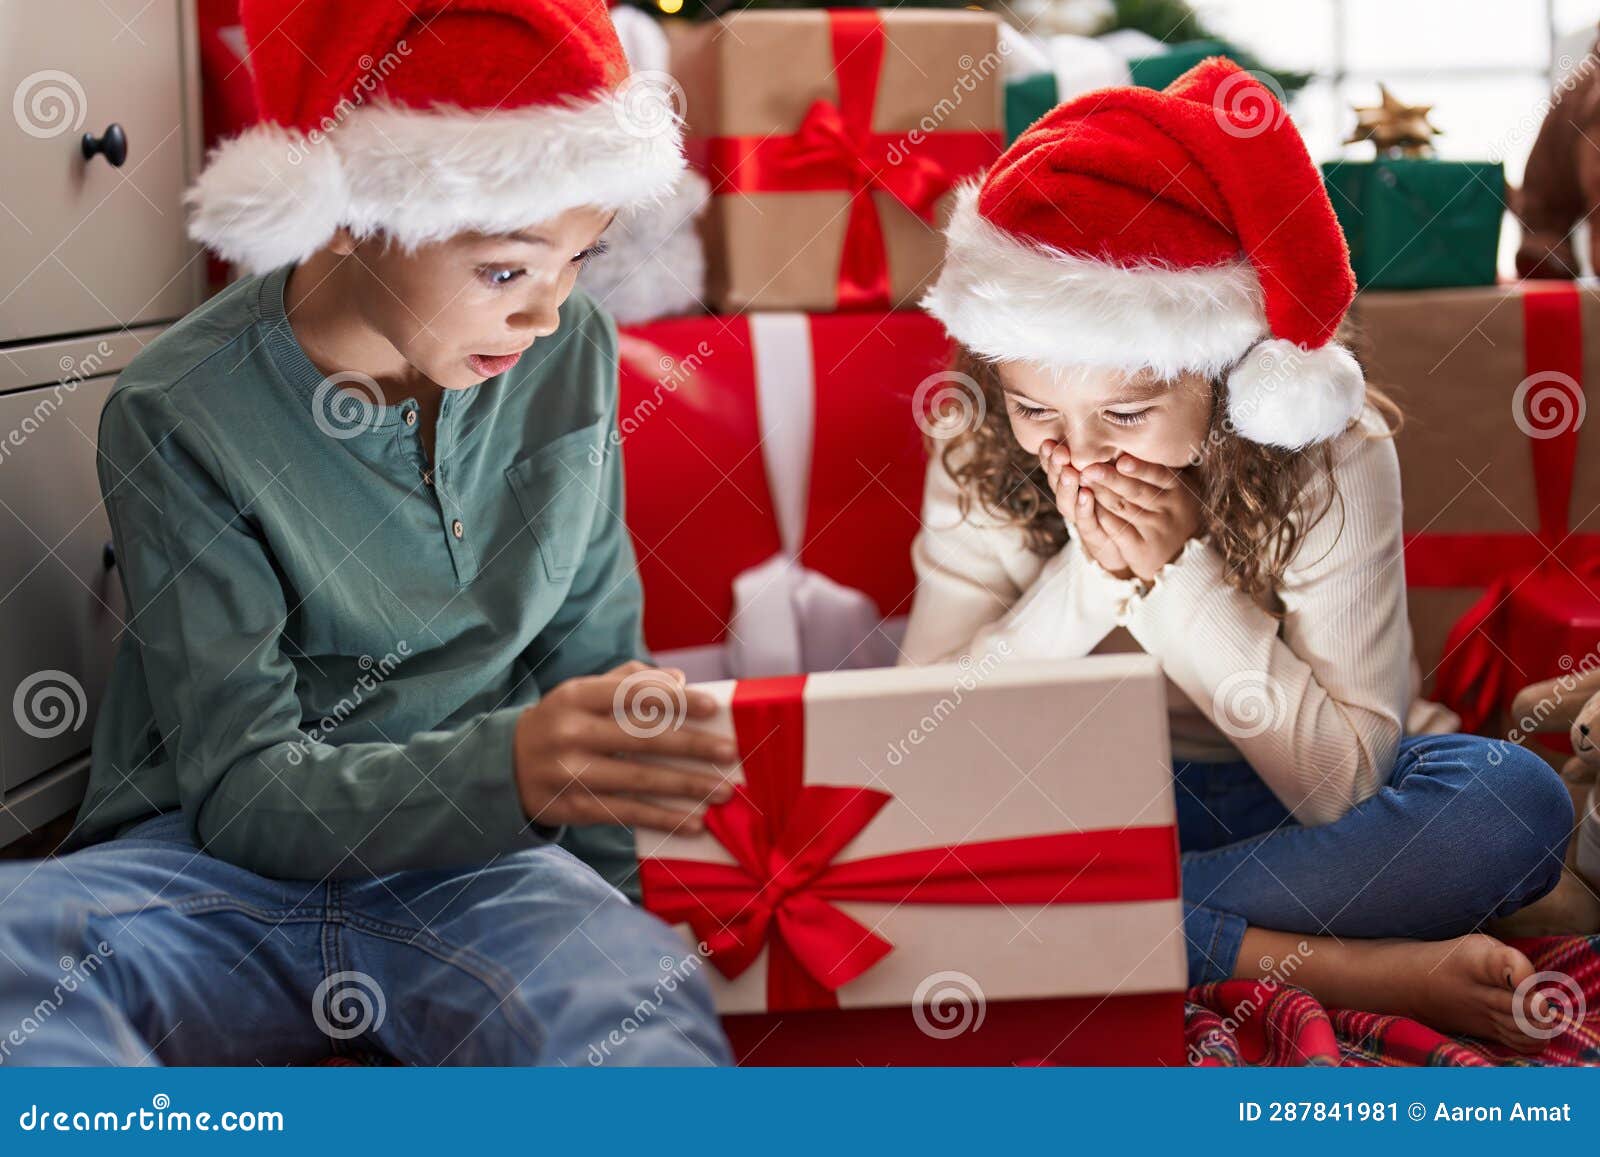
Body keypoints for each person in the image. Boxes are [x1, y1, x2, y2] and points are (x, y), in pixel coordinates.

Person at [0, 0, 731, 1067]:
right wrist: (514, 764)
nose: (545, 313)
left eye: (581, 258)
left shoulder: (567, 350)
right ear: (349, 213)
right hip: (210, 866)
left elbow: (591, 648)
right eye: (504, 270)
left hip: (489, 865)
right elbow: (244, 791)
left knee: (634, 1020)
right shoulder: (177, 407)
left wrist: (609, 910)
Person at [901, 58, 1575, 1051]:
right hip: (1078, 796)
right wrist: (1092, 579)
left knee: (1509, 804)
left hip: (1289, 819)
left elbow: (1344, 784)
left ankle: (1090, 929)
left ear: (1227, 383)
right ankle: (1337, 958)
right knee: (909, 831)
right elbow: (932, 732)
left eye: (1126, 412)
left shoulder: (1334, 453)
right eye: (1035, 407)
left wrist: (1179, 581)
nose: (1079, 454)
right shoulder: (979, 446)